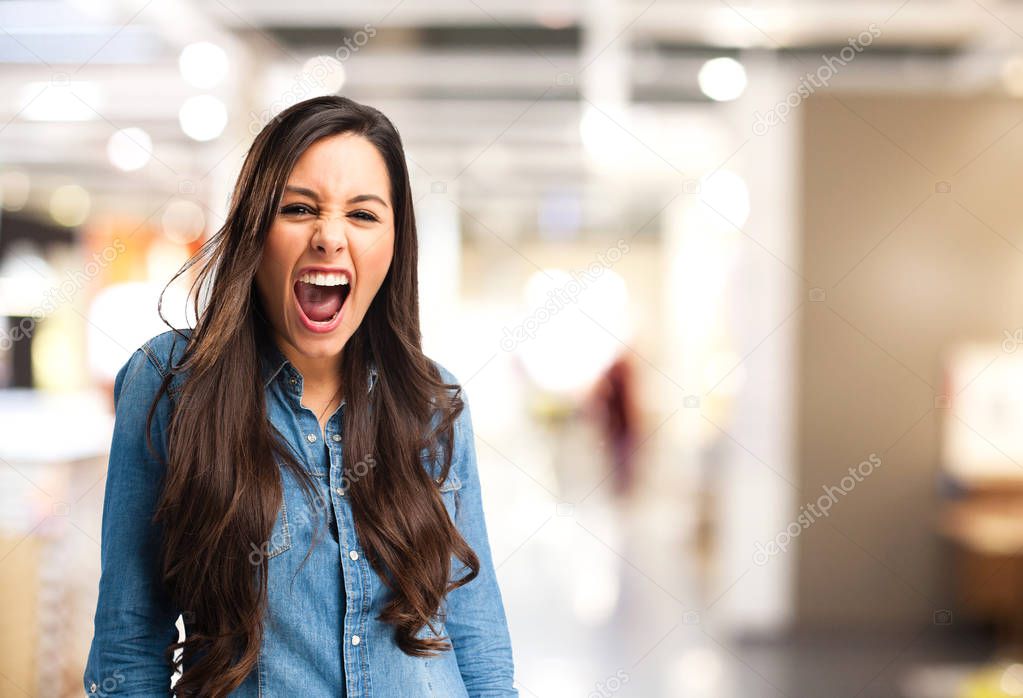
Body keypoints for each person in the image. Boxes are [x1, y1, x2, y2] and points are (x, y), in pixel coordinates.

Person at [83, 95, 517, 697]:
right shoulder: (172, 382)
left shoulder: (431, 403)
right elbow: (127, 648)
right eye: (298, 208)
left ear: (394, 244)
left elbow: (476, 637)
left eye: (363, 215)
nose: (329, 238)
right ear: (255, 229)